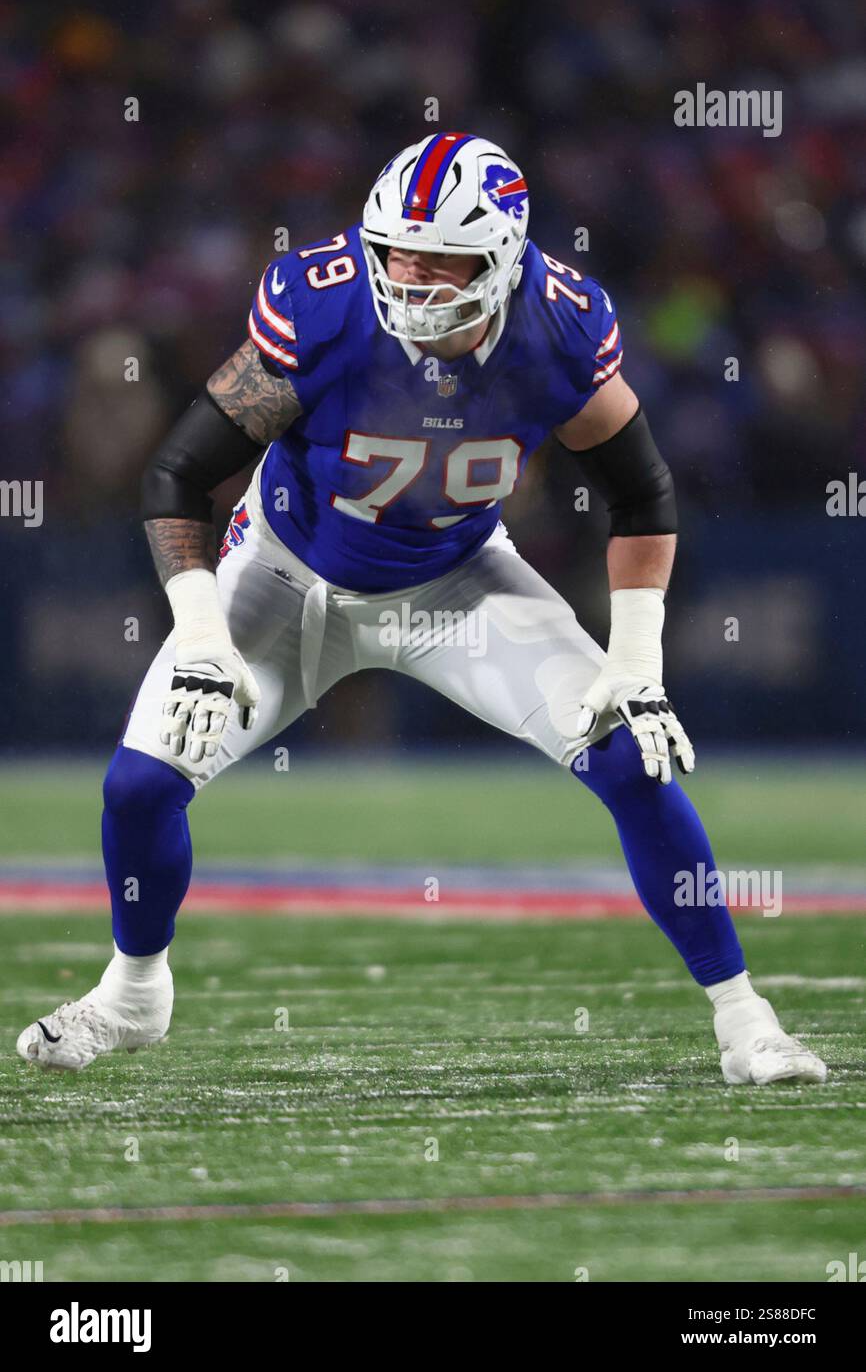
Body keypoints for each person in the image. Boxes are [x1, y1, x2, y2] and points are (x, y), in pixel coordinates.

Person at [18, 132, 826, 1086]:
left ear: (504, 261)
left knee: (628, 754)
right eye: (397, 250)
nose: (410, 276)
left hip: (458, 582)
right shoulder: (323, 309)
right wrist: (198, 634)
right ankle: (133, 992)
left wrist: (635, 660)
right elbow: (177, 473)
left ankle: (745, 1021)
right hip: (287, 573)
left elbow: (641, 493)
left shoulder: (556, 328)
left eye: (440, 259)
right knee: (138, 786)